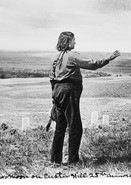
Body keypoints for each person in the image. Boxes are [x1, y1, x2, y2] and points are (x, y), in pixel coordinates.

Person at [49, 31, 120, 166]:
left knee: (60, 126)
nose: (75, 42)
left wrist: (54, 96)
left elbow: (52, 77)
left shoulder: (55, 56)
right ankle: (73, 162)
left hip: (57, 91)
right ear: (68, 42)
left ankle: (55, 160)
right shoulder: (72, 56)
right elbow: (92, 64)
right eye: (73, 40)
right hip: (69, 92)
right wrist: (108, 58)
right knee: (76, 127)